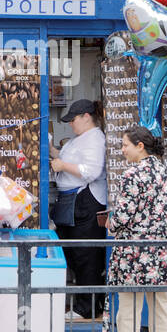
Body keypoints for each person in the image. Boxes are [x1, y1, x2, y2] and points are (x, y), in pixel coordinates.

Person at [106, 126, 167, 332]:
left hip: (134, 253)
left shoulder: (132, 174)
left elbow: (122, 217)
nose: (122, 149)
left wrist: (110, 222)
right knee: (161, 309)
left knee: (129, 310)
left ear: (140, 146)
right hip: (163, 252)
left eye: (125, 144)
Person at [50, 99, 107, 320]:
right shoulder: (79, 139)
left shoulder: (94, 140)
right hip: (71, 201)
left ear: (86, 116)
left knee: (86, 255)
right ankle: (83, 303)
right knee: (74, 253)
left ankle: (89, 308)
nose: (71, 124)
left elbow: (90, 171)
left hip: (86, 200)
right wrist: (53, 151)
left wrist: (63, 165)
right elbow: (64, 160)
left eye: (73, 120)